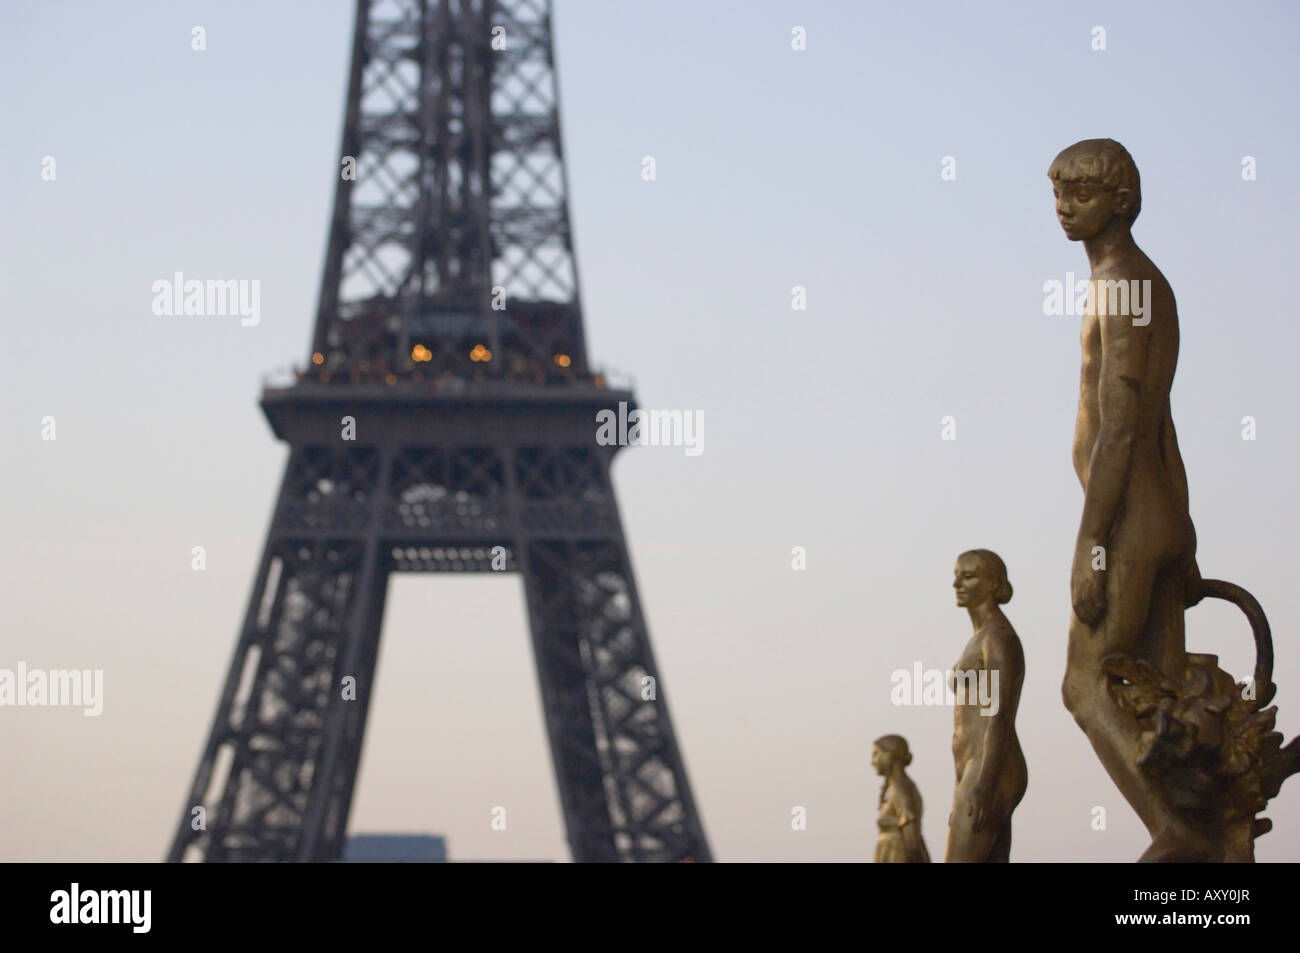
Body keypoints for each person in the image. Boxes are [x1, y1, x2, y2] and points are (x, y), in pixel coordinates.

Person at [1050, 139, 1206, 860]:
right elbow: (1162, 422)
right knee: (1162, 706)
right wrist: (1187, 532)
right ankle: (1199, 844)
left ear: (1121, 200)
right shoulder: (1144, 281)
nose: (1064, 204)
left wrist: (1093, 542)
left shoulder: (1119, 282)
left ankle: (1176, 833)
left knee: (1084, 685)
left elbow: (1120, 422)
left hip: (1129, 522)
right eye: (1058, 191)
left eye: (1082, 191)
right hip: (1158, 516)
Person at [945, 549, 1026, 862]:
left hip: (991, 766)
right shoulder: (978, 638)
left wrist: (984, 783)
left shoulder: (999, 639)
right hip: (975, 767)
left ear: (992, 584)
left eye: (968, 576)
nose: (957, 583)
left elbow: (999, 717)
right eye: (956, 575)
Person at [872, 735, 930, 863]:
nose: (873, 761)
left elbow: (912, 842)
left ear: (889, 756)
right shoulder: (894, 789)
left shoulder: (902, 790)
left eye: (876, 754)